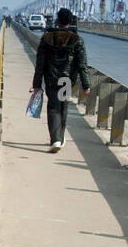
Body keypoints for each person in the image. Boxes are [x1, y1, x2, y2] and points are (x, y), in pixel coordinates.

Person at [30, 8, 90, 152]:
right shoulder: (77, 40)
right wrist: (86, 84)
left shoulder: (46, 38)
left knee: (53, 107)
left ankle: (55, 139)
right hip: (67, 80)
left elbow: (40, 63)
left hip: (51, 79)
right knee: (63, 107)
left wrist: (36, 84)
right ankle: (59, 138)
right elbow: (82, 64)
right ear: (71, 22)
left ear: (57, 21)